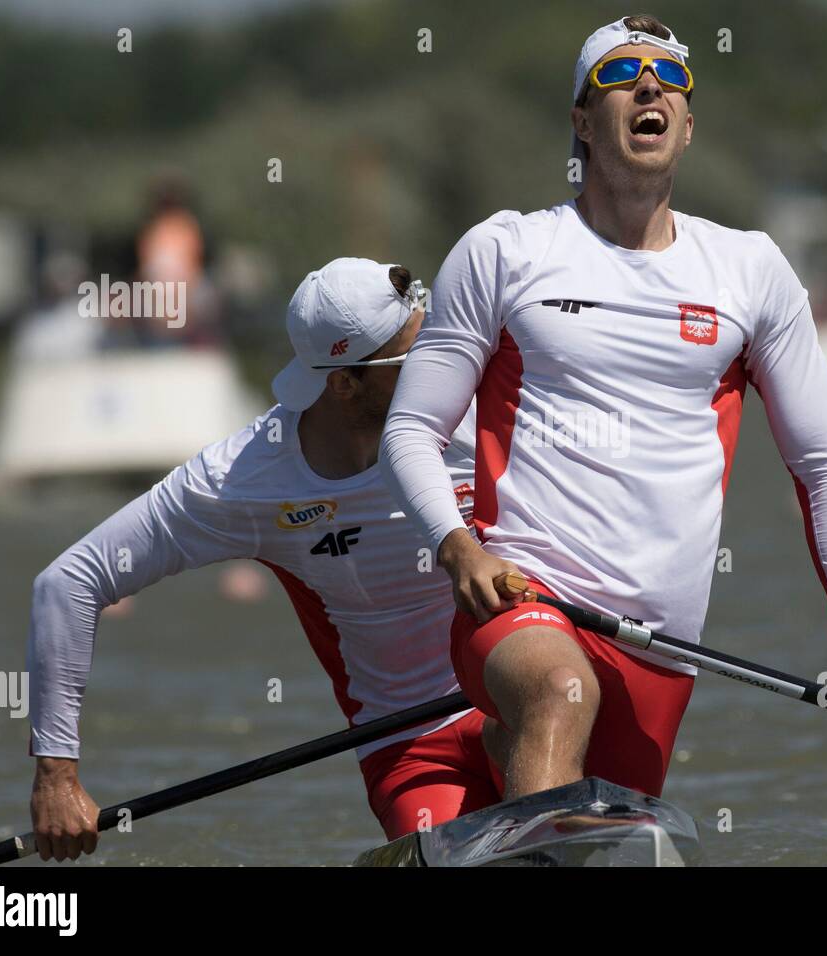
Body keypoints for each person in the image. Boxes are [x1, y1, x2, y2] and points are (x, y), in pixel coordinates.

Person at [379, 15, 827, 803]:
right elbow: (410, 429)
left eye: (668, 79)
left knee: (596, 799)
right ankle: (519, 747)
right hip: (522, 598)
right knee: (561, 696)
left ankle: (495, 754)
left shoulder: (751, 271)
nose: (649, 85)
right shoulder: (506, 252)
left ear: (688, 127)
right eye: (620, 75)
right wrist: (458, 550)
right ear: (581, 123)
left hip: (659, 650)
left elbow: (825, 465)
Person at [27, 258, 499, 861]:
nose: (442, 368)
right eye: (413, 359)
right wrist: (56, 777)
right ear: (343, 383)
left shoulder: (482, 408)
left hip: (517, 694)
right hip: (407, 742)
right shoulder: (248, 479)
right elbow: (68, 582)